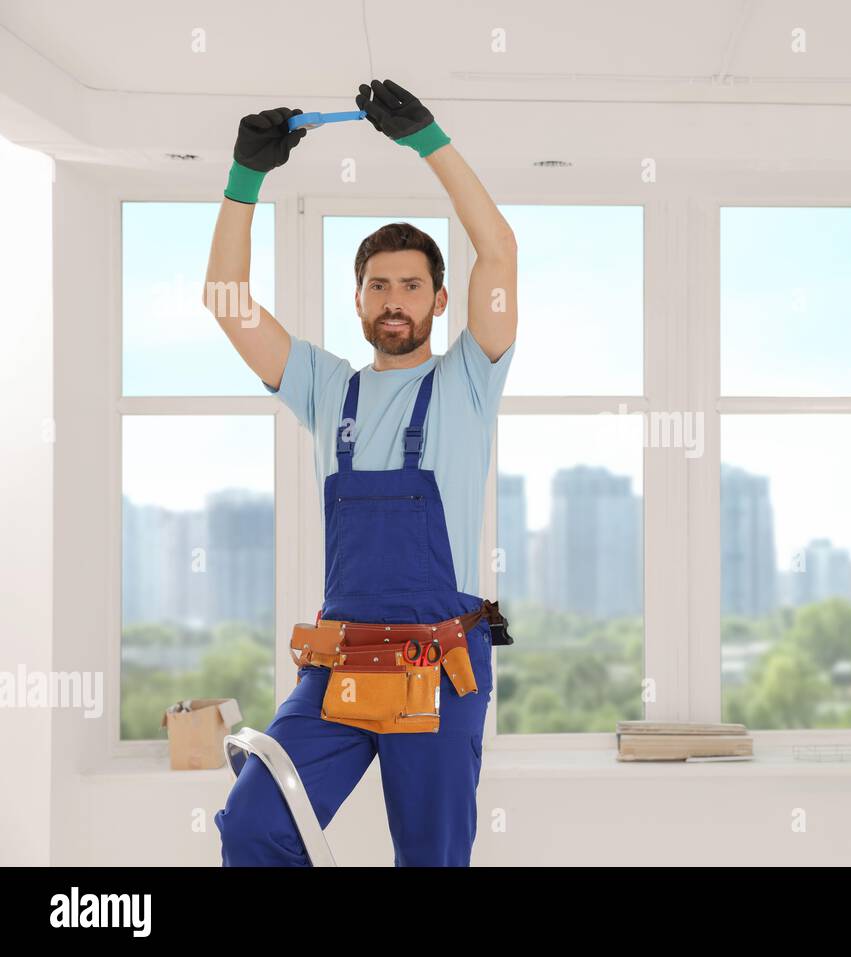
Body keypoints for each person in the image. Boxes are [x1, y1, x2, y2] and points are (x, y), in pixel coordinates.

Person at [204, 79, 518, 866]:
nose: (394, 299)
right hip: (340, 662)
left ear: (441, 299)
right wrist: (246, 176)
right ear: (357, 300)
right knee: (251, 821)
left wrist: (428, 139)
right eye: (378, 285)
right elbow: (227, 301)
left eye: (412, 285)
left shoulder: (468, 380)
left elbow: (500, 252)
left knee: (432, 857)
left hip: (442, 667)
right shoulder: (327, 386)